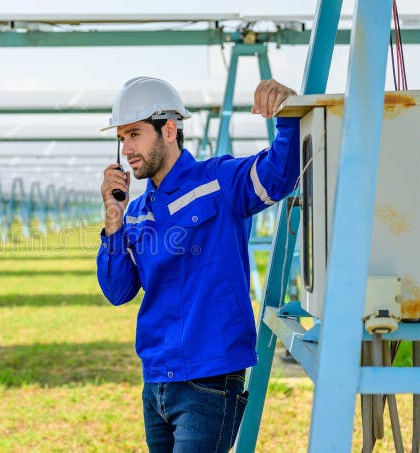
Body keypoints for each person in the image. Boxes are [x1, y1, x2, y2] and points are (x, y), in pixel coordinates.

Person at [97, 76, 299, 452]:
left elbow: (278, 176)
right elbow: (117, 290)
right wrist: (113, 217)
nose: (126, 148)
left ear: (169, 130)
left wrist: (287, 114)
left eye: (135, 134)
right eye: (122, 138)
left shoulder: (219, 181)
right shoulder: (137, 213)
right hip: (156, 382)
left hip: (209, 381)